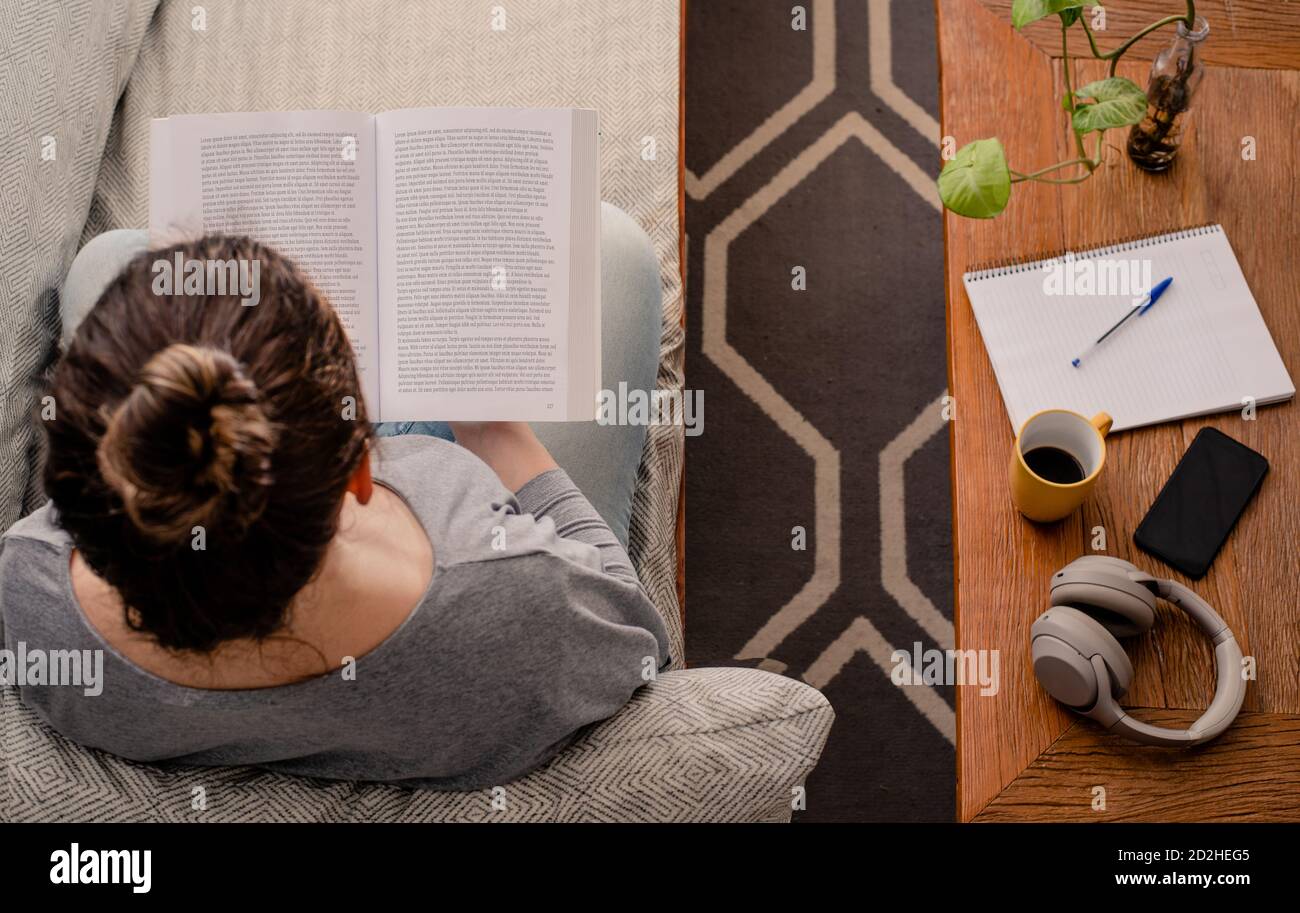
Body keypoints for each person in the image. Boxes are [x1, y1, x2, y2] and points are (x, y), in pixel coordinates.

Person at [0, 204, 671, 790]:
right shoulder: (520, 598)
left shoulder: (29, 592)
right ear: (360, 469)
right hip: (436, 534)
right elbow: (639, 639)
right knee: (612, 248)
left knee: (108, 257)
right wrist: (499, 436)